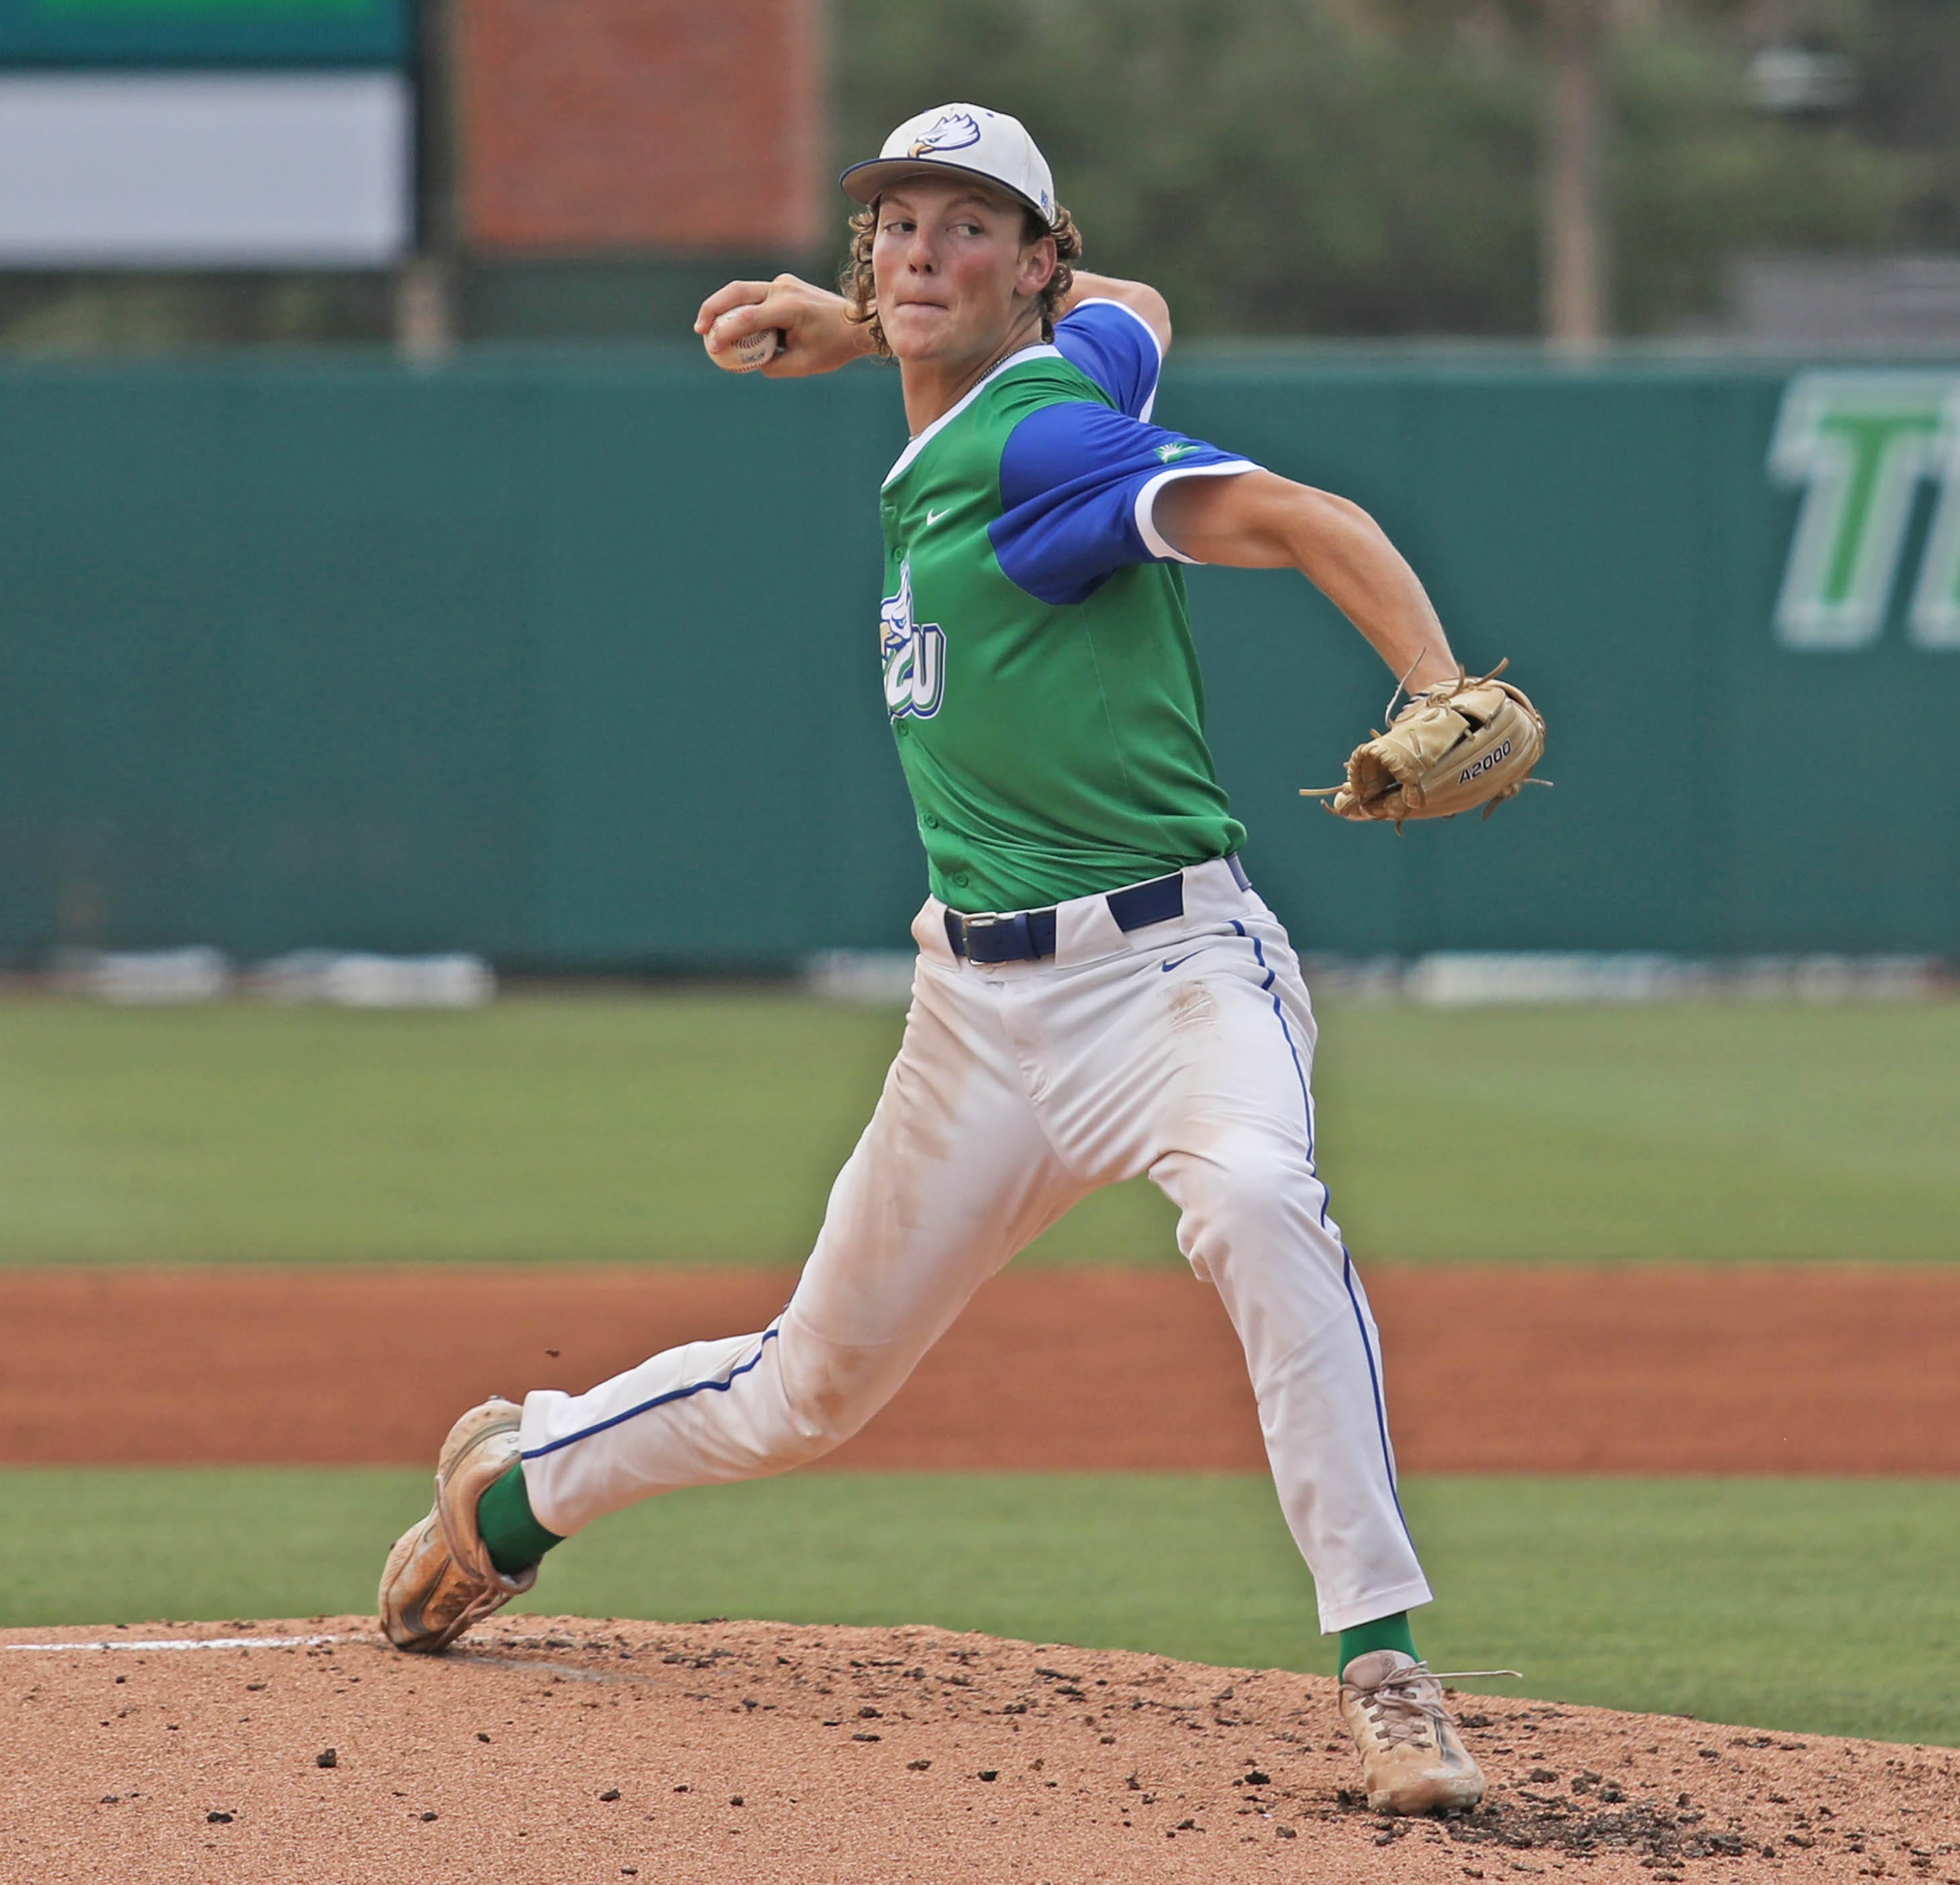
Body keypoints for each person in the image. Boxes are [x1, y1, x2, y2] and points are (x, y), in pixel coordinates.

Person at [380, 102, 1505, 1816]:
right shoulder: (1058, 370)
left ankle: (1385, 1661)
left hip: (1172, 977)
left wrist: (1435, 684)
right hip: (976, 1013)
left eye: (972, 226)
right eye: (902, 223)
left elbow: (1298, 514)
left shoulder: (1044, 450)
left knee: (1261, 1203)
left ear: (1029, 264)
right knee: (809, 1389)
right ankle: (519, 1492)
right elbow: (1143, 303)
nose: (924, 248)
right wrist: (870, 337)